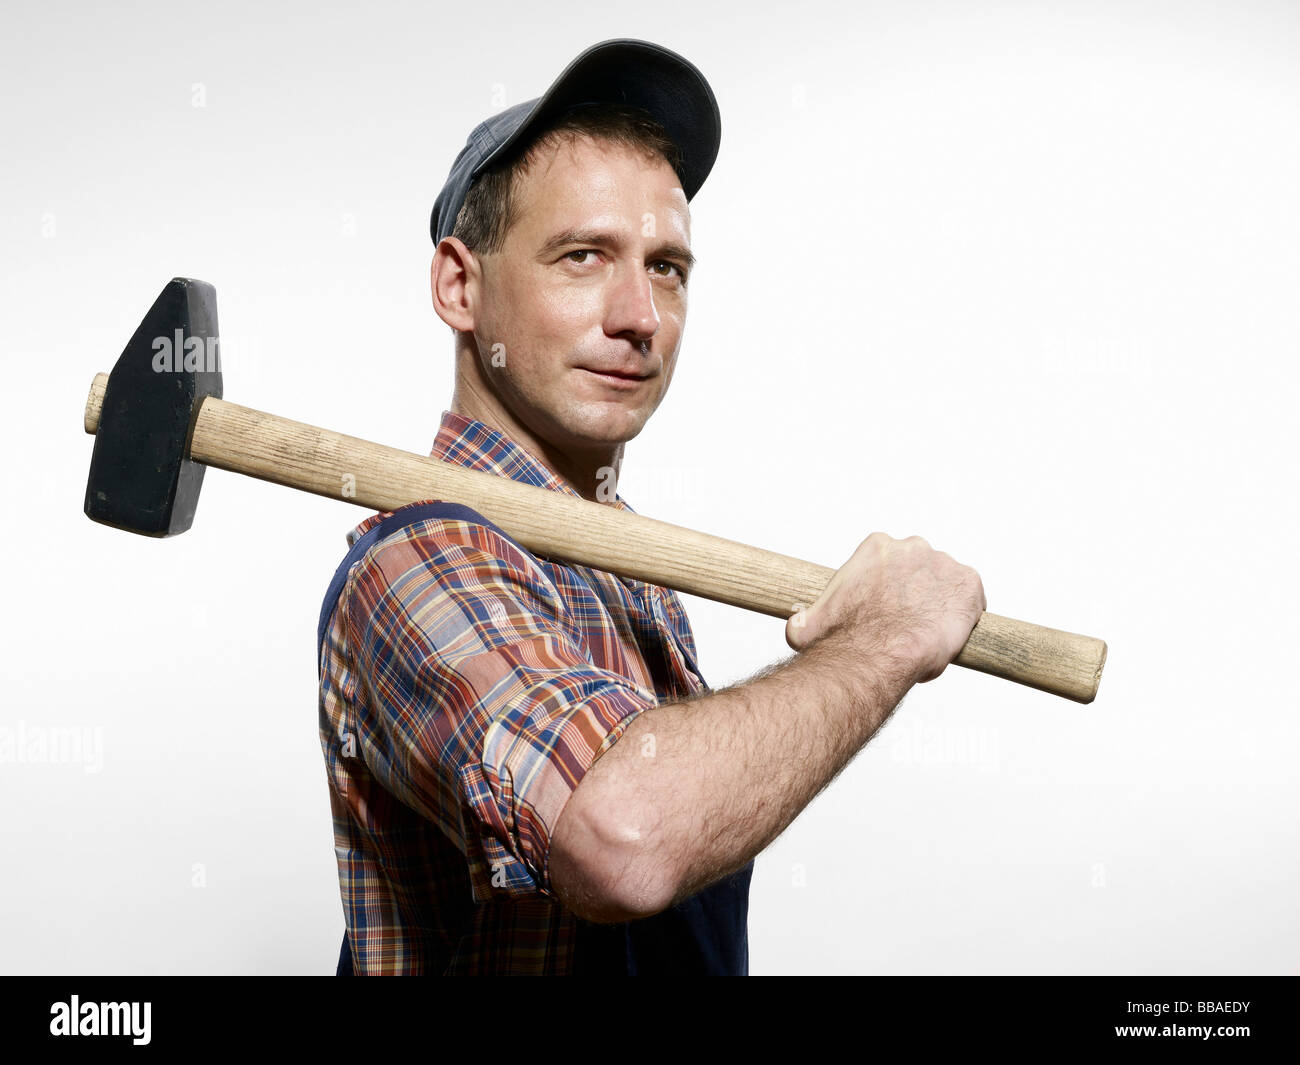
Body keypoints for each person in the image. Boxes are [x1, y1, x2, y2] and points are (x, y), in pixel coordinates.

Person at [317, 38, 985, 976]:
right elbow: (624, 838)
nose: (639, 315)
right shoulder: (417, 558)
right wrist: (881, 642)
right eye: (583, 256)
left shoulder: (627, 572)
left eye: (667, 267)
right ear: (460, 286)